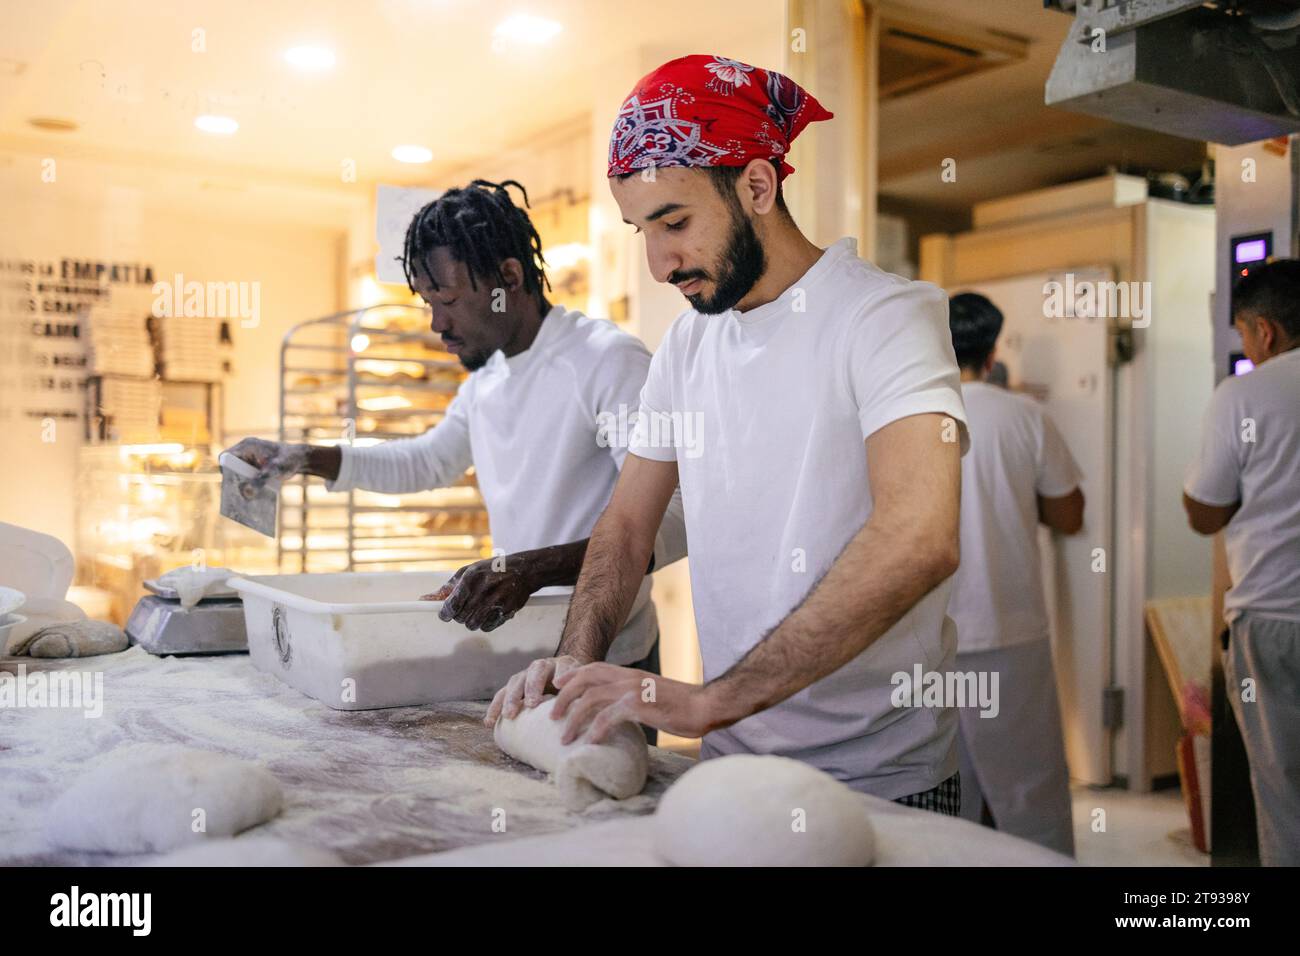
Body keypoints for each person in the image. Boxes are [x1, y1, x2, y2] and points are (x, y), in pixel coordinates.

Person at [487, 54, 969, 813]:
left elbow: (920, 535)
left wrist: (711, 702)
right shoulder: (689, 345)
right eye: (641, 230)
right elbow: (627, 523)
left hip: (879, 778)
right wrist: (573, 664)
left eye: (674, 223)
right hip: (732, 765)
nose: (658, 263)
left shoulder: (884, 318)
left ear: (757, 184)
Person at [225, 181, 686, 739]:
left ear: (508, 279)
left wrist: (529, 570)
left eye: (447, 301)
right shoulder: (487, 381)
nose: (437, 326)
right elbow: (426, 462)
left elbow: (677, 515)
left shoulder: (604, 362)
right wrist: (302, 458)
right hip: (519, 650)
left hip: (610, 655)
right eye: (427, 304)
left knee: (608, 809)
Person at [945, 292, 1084, 855]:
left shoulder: (912, 414)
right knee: (1031, 791)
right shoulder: (1025, 416)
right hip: (1011, 629)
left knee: (951, 792)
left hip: (932, 635)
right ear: (994, 349)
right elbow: (1069, 514)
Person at [1183, 257, 1300, 866]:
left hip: (1273, 621)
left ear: (1265, 331)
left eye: (1244, 335)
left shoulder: (1244, 395)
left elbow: (1205, 513)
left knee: (1283, 791)